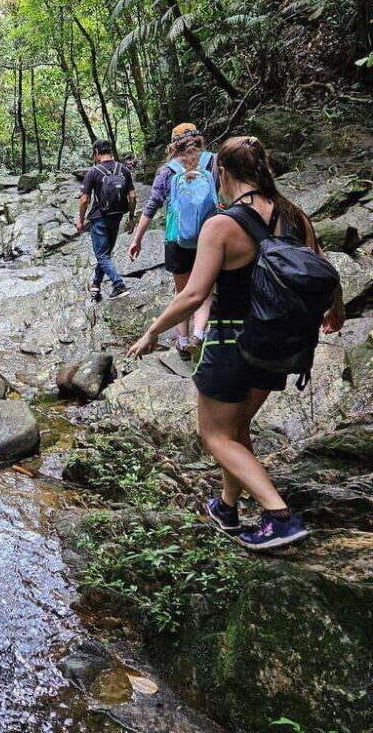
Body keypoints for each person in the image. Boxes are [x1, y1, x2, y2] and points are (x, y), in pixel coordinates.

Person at [127, 135, 344, 551]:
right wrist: (336, 310)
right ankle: (227, 507)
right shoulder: (293, 214)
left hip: (231, 342)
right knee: (238, 428)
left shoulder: (222, 224)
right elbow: (321, 264)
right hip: (279, 344)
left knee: (216, 436)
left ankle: (278, 515)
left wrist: (152, 332)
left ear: (221, 173)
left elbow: (193, 295)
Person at [128, 123, 219, 360]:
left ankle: (183, 342)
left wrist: (136, 240)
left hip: (176, 239)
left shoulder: (166, 171)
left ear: (173, 144)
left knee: (182, 293)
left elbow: (151, 208)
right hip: (210, 237)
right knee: (205, 292)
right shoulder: (214, 162)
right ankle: (199, 335)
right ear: (198, 139)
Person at [76, 139, 137, 301]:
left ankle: (119, 285)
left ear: (96, 153)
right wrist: (131, 218)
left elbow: (83, 200)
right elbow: (132, 196)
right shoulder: (123, 170)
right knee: (105, 254)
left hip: (100, 218)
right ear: (110, 151)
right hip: (117, 216)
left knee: (102, 255)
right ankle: (96, 283)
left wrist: (80, 221)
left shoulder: (94, 172)